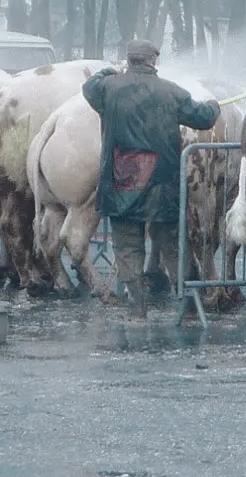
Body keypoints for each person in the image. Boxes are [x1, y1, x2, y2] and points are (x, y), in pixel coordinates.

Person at [81, 39, 221, 319]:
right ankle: (191, 304)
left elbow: (89, 87)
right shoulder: (171, 92)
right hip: (162, 183)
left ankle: (136, 307)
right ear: (153, 61)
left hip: (122, 182)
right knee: (172, 244)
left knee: (127, 247)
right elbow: (205, 118)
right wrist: (214, 104)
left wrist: (108, 72)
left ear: (129, 60)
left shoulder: (108, 89)